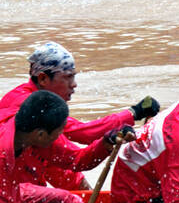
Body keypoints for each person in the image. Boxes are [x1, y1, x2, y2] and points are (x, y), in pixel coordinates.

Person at [1, 91, 132, 203]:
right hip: (5, 194)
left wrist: (107, 142)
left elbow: (76, 160)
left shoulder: (29, 133)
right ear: (40, 135)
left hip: (13, 190)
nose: (62, 136)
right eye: (60, 132)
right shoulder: (4, 151)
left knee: (68, 200)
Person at [0, 41, 156, 189]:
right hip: (12, 184)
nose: (74, 85)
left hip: (33, 164)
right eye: (68, 77)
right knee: (71, 198)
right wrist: (134, 113)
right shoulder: (31, 106)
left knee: (76, 184)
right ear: (43, 78)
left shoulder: (28, 98)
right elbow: (83, 134)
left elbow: (65, 157)